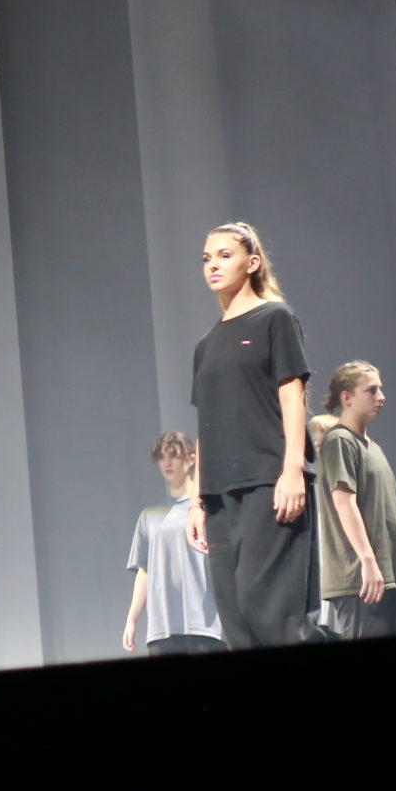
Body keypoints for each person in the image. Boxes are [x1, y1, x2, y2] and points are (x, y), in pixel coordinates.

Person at [185, 220, 322, 647]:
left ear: (252, 262)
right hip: (220, 493)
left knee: (272, 613)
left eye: (225, 255)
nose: (213, 265)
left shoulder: (273, 318)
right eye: (207, 258)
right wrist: (196, 500)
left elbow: (292, 397)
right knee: (236, 618)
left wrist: (292, 470)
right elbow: (207, 422)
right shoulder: (206, 344)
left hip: (269, 481)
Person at [315, 362, 396, 638]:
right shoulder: (339, 441)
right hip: (361, 579)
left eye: (380, 389)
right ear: (346, 397)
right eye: (371, 390)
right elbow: (344, 503)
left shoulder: (371, 446)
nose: (381, 396)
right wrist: (368, 562)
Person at [122, 432, 224, 655]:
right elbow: (144, 570)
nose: (167, 463)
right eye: (162, 457)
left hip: (206, 623)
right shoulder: (150, 516)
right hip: (163, 628)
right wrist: (132, 620)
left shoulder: (208, 509)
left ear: (191, 460)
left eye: (174, 456)